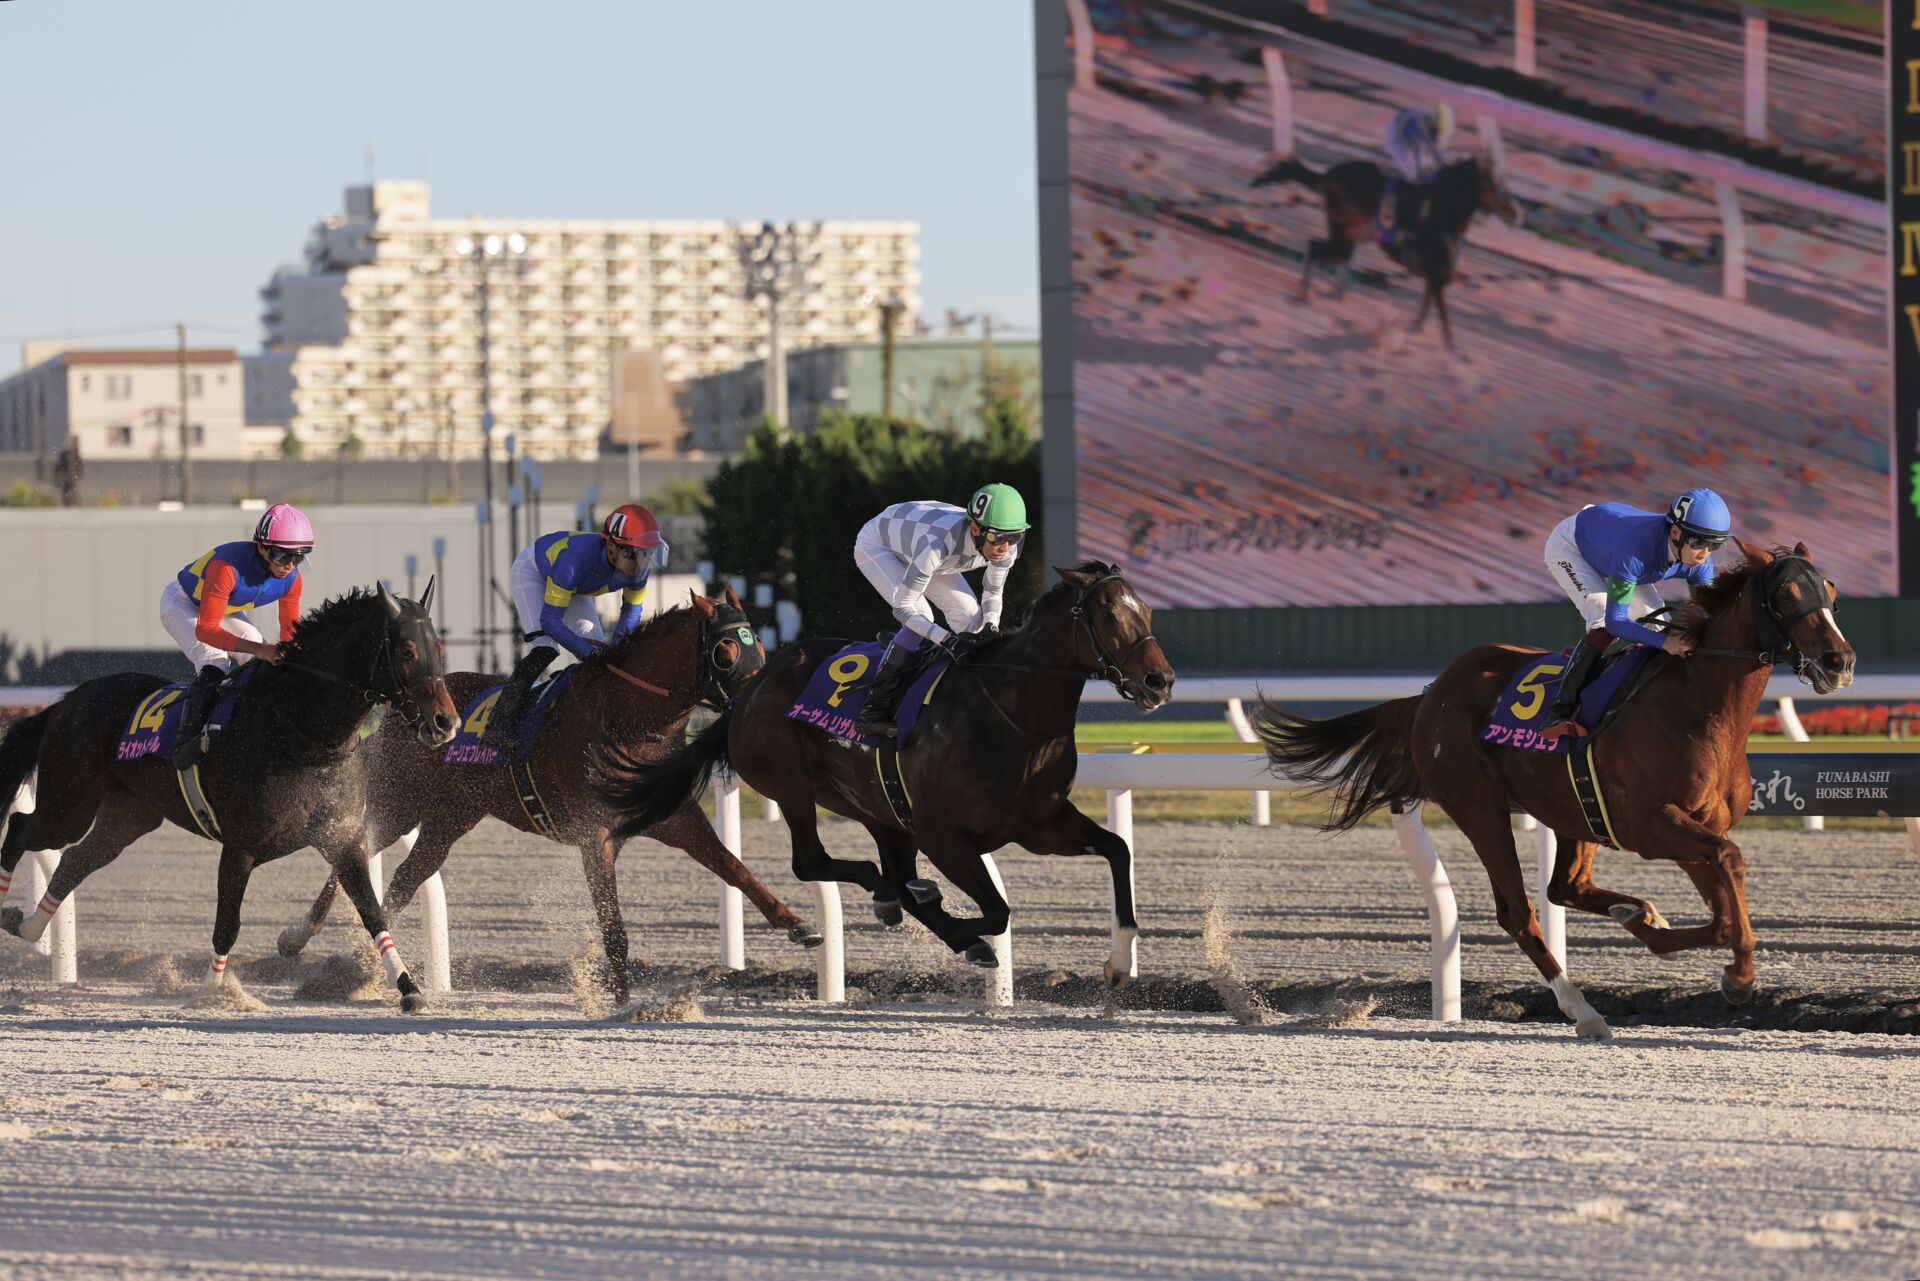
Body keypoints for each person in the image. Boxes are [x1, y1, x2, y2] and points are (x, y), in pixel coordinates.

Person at [1539, 488, 1729, 741]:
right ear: (1675, 532)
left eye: (1713, 545)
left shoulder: (1698, 561)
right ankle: (1560, 711)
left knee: (1660, 626)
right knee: (1603, 623)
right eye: (1697, 543)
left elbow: (1708, 612)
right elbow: (1617, 622)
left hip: (1612, 545)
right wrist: (1666, 642)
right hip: (1572, 547)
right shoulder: (1635, 554)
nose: (1704, 555)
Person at [482, 503, 668, 748]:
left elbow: (629, 617)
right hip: (534, 574)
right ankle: (498, 723)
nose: (640, 564)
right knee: (546, 649)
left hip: (578, 586)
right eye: (633, 554)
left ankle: (606, 721)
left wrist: (616, 652)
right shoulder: (572, 563)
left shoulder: (638, 570)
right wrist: (588, 652)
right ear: (611, 545)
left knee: (606, 656)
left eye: (647, 554)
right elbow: (549, 622)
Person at [851, 483, 1029, 738]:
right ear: (976, 529)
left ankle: (974, 696)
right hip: (881, 545)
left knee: (973, 620)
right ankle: (873, 710)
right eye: (998, 538)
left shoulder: (1005, 547)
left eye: (1015, 537)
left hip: (922, 546)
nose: (1005, 547)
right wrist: (946, 640)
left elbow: (992, 592)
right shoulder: (937, 545)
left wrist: (991, 624)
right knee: (921, 616)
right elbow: (903, 609)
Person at [160, 503, 312, 766]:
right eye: (281, 557)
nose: (289, 566)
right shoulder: (227, 568)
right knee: (215, 661)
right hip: (182, 604)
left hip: (225, 609)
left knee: (262, 663)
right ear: (262, 548)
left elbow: (289, 632)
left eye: (298, 557)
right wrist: (260, 649)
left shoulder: (293, 579)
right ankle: (184, 743)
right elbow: (206, 630)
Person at [1385, 101, 1454, 184]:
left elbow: (1433, 142)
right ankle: (1411, 177)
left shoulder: (1431, 122)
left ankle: (1414, 176)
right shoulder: (1422, 125)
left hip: (1406, 124)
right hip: (1394, 131)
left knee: (1434, 149)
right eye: (1437, 130)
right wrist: (1417, 171)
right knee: (1402, 157)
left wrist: (1441, 159)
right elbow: (1416, 148)